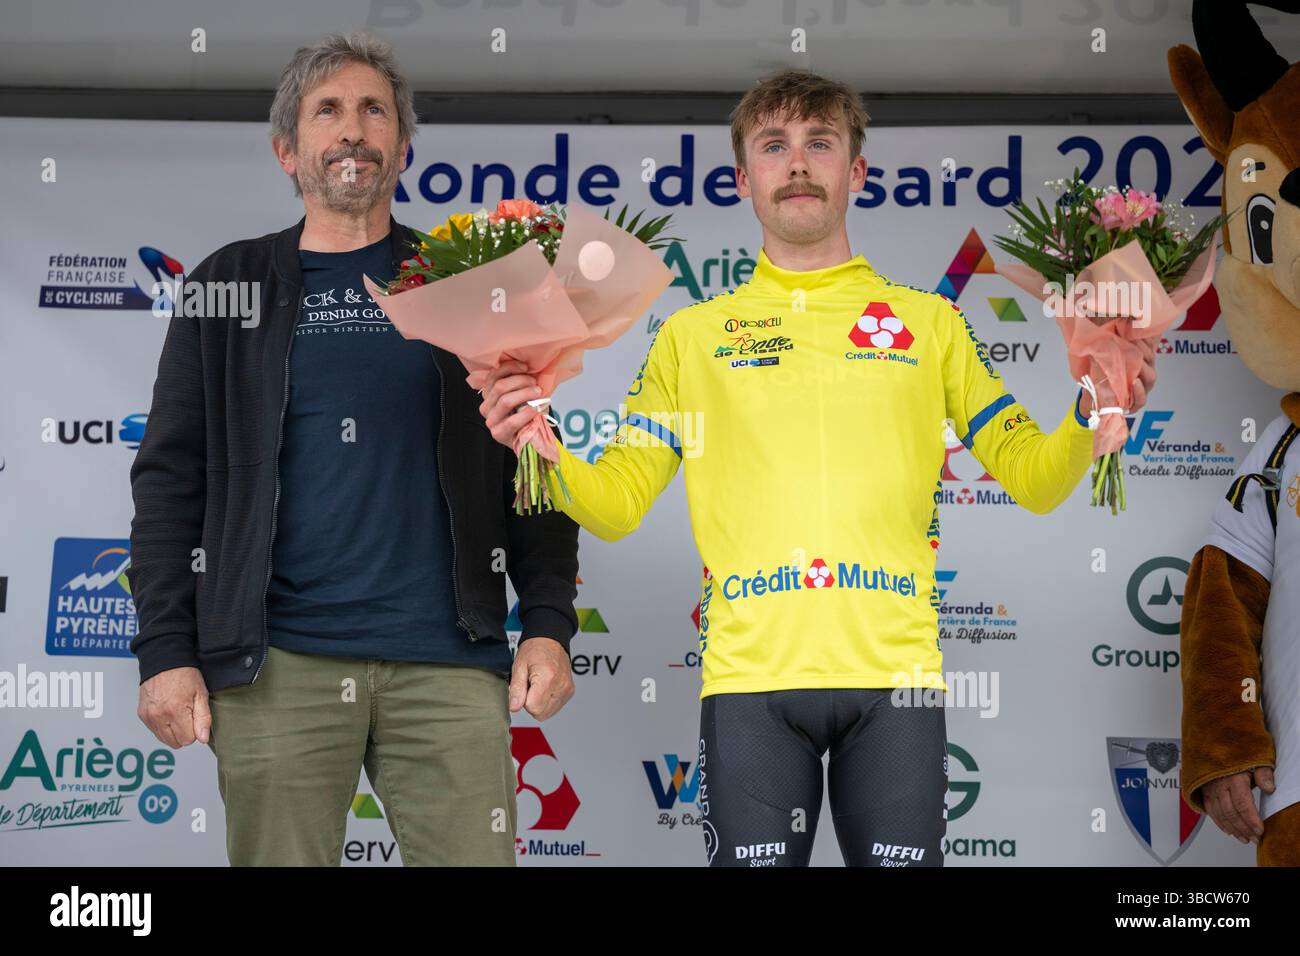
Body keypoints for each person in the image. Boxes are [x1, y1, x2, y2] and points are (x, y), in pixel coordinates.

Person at [480, 68, 1157, 867]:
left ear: (856, 172)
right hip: (750, 684)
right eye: (775, 145)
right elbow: (621, 503)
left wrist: (1091, 408)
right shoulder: (692, 337)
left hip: (896, 680)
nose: (797, 162)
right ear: (743, 179)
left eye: (819, 143)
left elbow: (1036, 481)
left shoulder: (930, 323)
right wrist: (539, 446)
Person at [128, 31, 580, 866]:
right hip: (278, 667)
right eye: (327, 110)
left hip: (448, 659)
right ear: (286, 149)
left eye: (374, 110)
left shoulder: (468, 280)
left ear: (402, 146)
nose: (352, 129)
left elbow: (533, 463)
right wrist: (165, 651)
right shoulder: (230, 284)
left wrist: (548, 622)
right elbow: (168, 482)